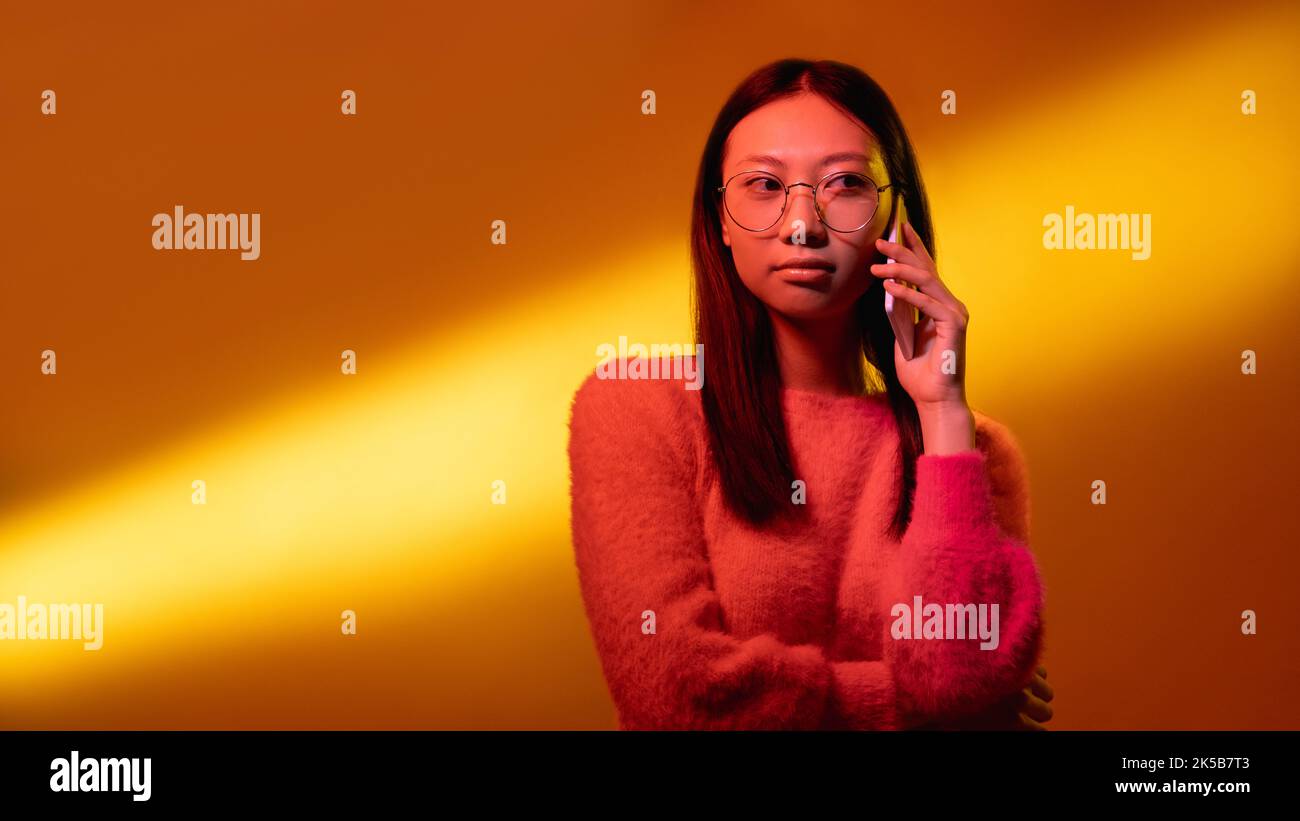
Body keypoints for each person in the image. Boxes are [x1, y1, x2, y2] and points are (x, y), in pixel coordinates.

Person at [567, 58, 1053, 730]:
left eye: (845, 183)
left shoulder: (971, 451)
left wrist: (942, 412)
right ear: (721, 221)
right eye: (764, 185)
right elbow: (679, 698)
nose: (803, 224)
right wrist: (917, 706)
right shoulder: (638, 408)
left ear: (895, 214)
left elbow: (958, 677)